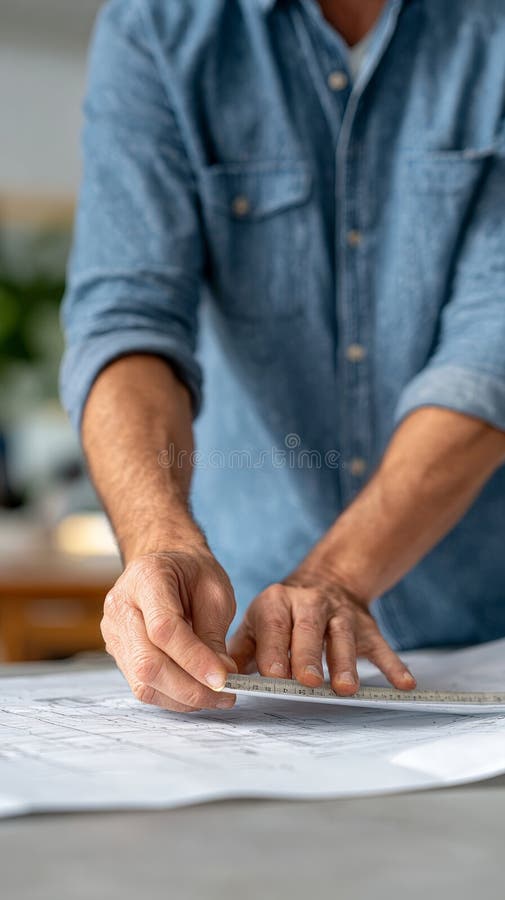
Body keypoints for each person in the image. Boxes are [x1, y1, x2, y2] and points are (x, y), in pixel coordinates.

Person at [61, 0, 505, 713]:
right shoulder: (157, 25)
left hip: (486, 637)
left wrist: (336, 576)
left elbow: (491, 351)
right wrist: (159, 537)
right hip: (248, 660)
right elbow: (128, 321)